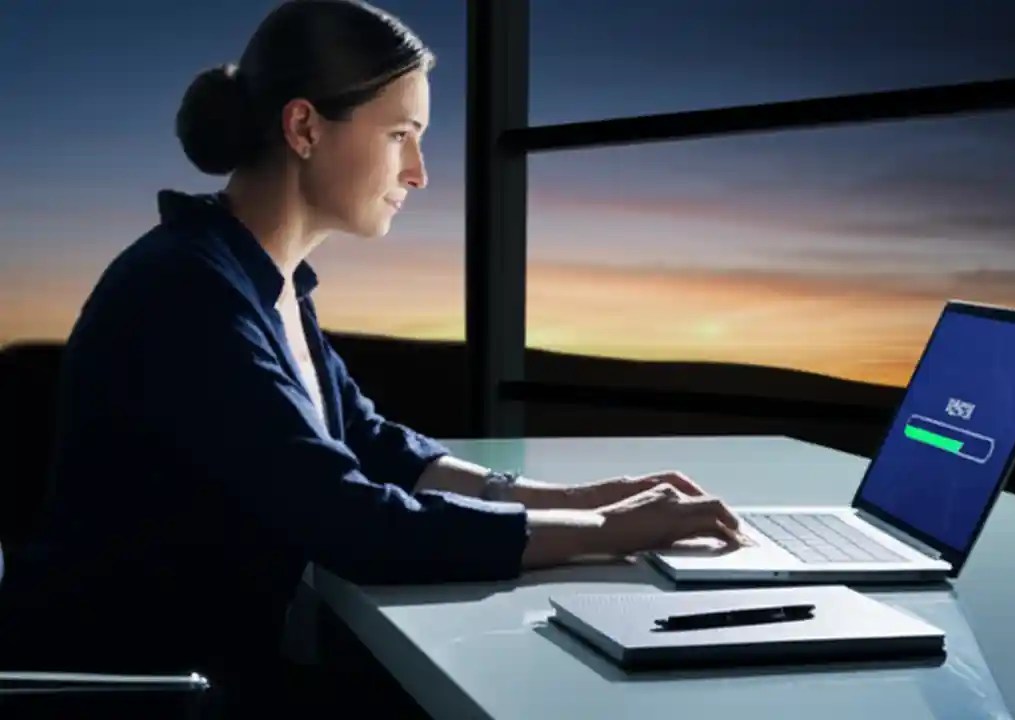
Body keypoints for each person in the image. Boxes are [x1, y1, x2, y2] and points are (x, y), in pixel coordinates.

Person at [0, 0, 744, 713]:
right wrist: (610, 536)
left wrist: (575, 500)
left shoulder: (255, 275)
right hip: (156, 681)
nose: (418, 172)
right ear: (304, 127)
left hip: (219, 655)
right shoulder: (190, 294)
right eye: (400, 135)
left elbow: (367, 441)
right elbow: (353, 521)